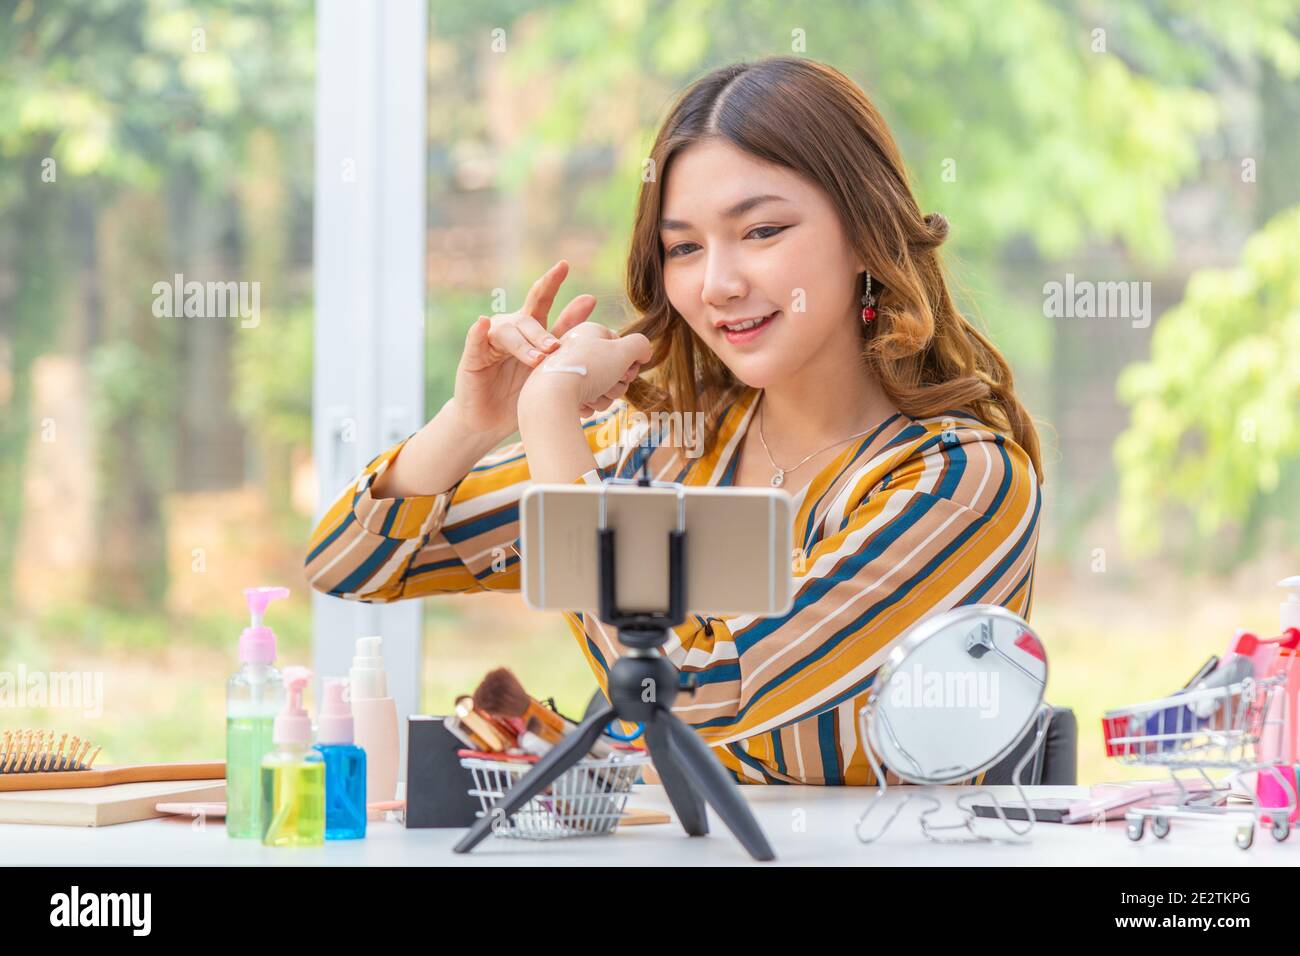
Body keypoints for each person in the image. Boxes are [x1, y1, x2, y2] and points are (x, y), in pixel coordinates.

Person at [305, 56, 1044, 786]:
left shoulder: (963, 482)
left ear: (863, 232)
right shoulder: (661, 449)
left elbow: (692, 688)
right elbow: (349, 563)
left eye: (761, 231)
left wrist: (550, 413)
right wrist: (475, 421)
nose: (717, 284)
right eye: (684, 248)